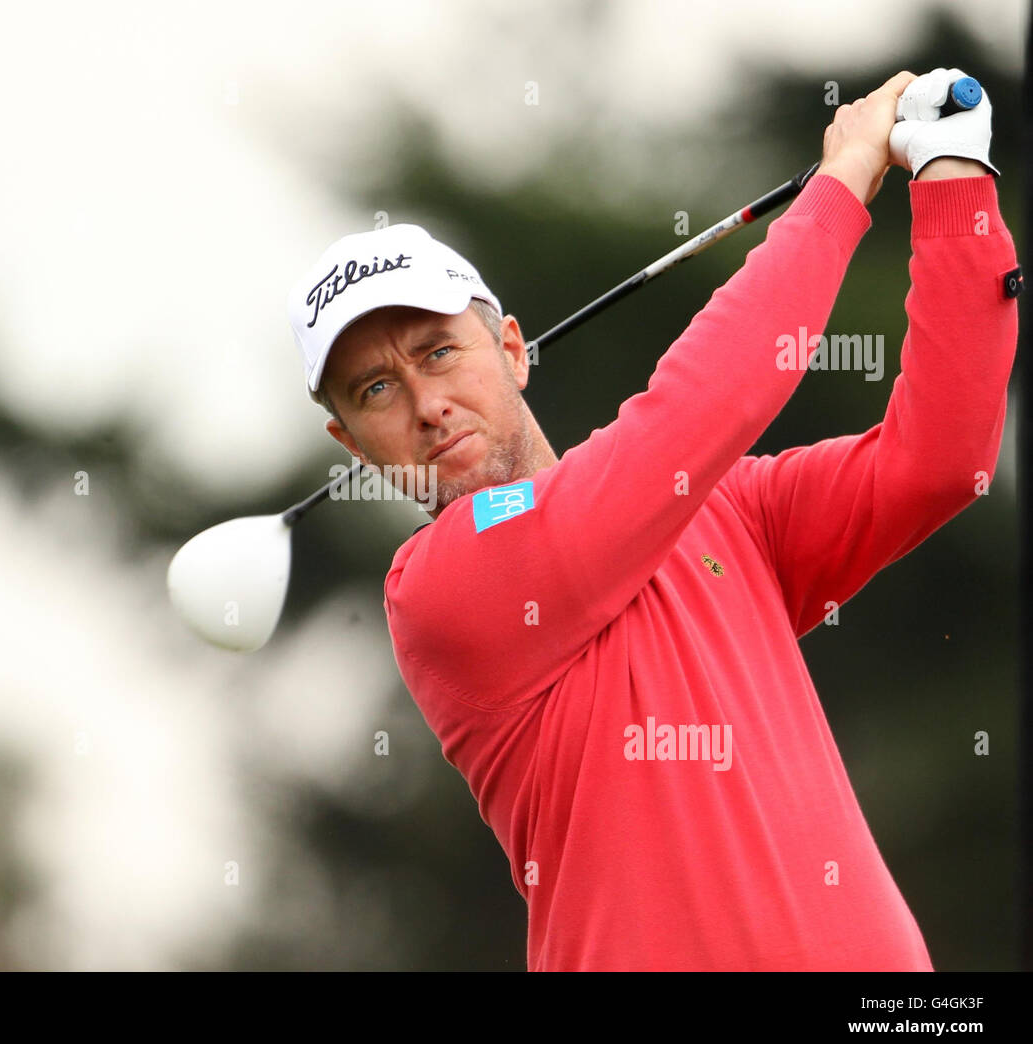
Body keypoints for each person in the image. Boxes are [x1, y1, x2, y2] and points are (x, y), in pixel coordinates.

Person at [284, 68, 1020, 971]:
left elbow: (941, 460)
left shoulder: (728, 509)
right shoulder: (438, 591)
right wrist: (838, 190)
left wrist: (954, 180)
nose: (428, 405)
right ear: (351, 443)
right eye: (377, 390)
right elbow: (690, 417)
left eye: (440, 351)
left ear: (512, 350)